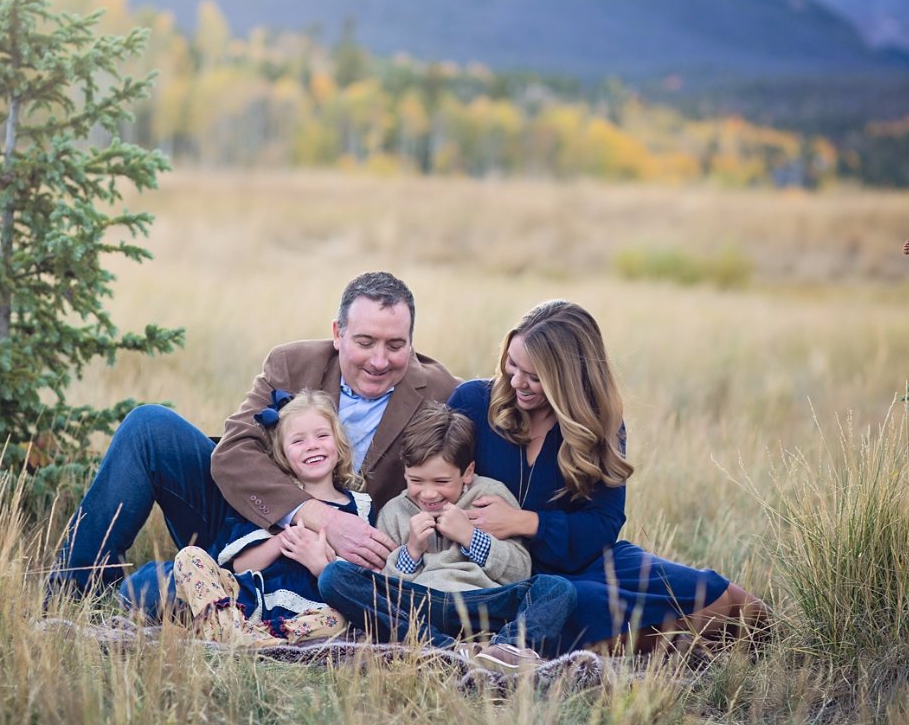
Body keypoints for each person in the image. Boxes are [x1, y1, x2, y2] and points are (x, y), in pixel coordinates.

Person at [47, 271, 460, 610]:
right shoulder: (292, 364)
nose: (379, 360)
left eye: (395, 345)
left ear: (411, 342)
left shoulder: (443, 392)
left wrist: (499, 520)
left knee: (163, 593)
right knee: (148, 426)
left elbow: (483, 445)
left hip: (339, 565)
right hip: (245, 520)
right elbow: (233, 453)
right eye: (365, 342)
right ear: (338, 334)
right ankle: (73, 591)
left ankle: (203, 590)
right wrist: (318, 516)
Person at [442, 299, 769, 653]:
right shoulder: (473, 402)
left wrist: (525, 522)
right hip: (503, 570)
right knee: (576, 601)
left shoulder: (598, 424)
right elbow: (432, 480)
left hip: (586, 560)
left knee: (724, 600)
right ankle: (665, 642)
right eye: (512, 364)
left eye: (535, 377)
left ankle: (679, 640)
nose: (517, 381)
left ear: (567, 379)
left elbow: (603, 522)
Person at [319, 403, 576, 671]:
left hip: (482, 603)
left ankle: (503, 650)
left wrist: (470, 537)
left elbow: (519, 571)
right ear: (405, 471)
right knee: (334, 576)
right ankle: (443, 650)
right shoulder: (395, 511)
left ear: (467, 472)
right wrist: (411, 551)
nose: (428, 494)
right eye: (416, 481)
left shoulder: (489, 495)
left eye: (441, 482)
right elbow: (384, 587)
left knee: (557, 588)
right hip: (419, 606)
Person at [173, 390, 365, 646]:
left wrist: (320, 564)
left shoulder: (359, 507)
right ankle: (227, 627)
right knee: (189, 557)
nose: (312, 445)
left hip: (312, 610)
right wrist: (284, 540)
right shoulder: (272, 499)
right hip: (250, 601)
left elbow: (361, 581)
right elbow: (241, 566)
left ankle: (262, 640)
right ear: (283, 455)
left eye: (322, 436)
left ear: (339, 446)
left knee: (340, 619)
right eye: (298, 441)